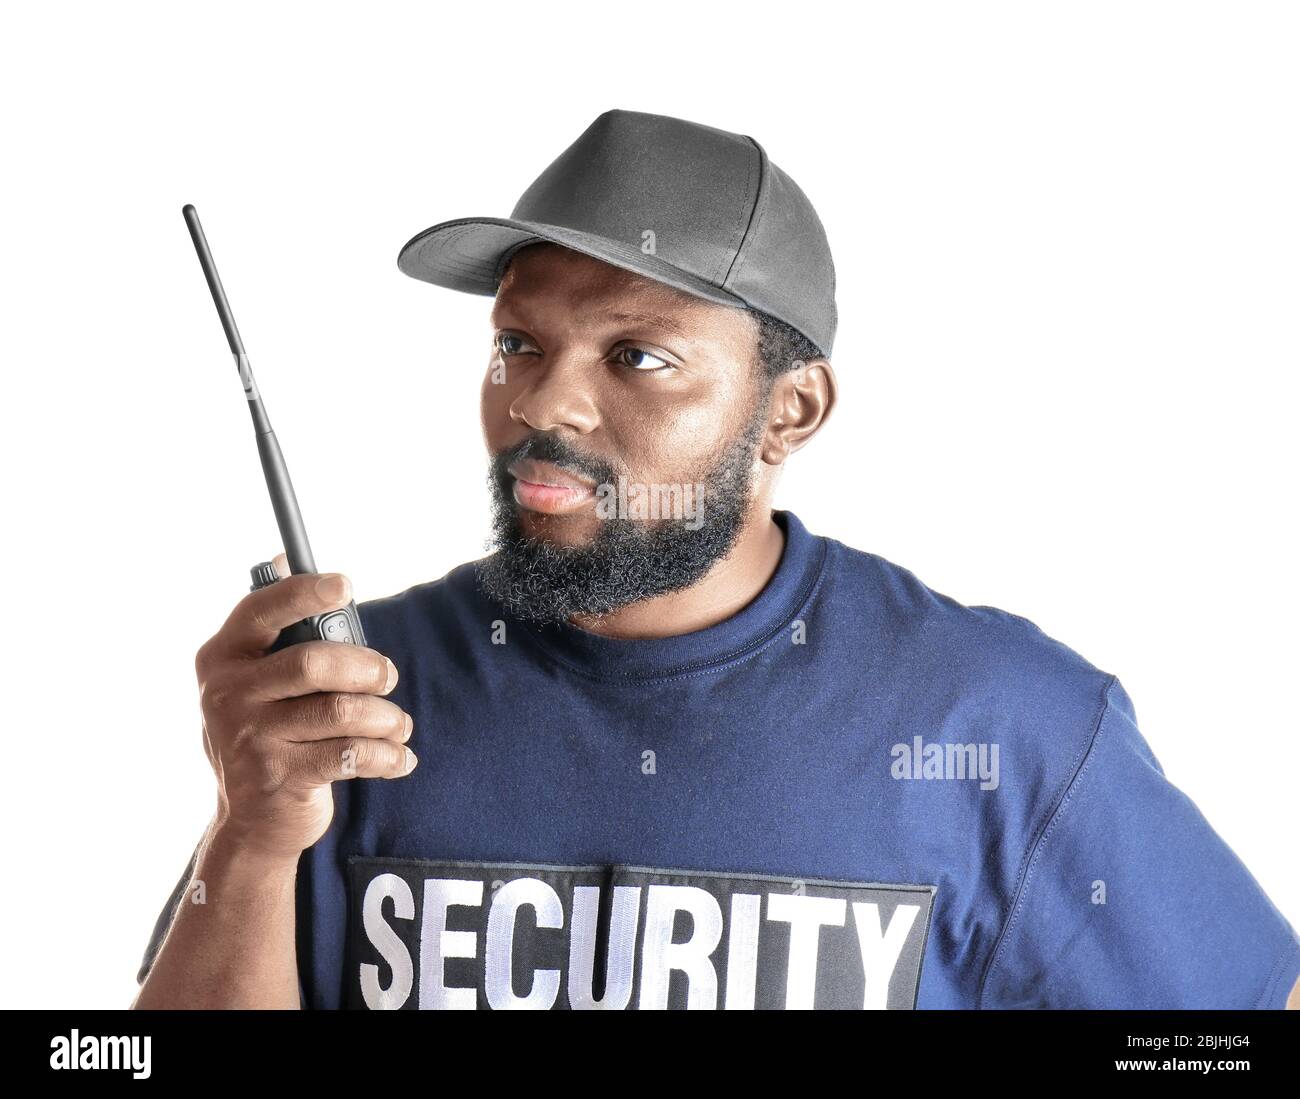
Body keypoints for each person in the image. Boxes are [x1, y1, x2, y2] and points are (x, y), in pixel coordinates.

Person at [134, 109, 1300, 1010]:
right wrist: (250, 833)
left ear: (789, 413)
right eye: (517, 343)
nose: (546, 403)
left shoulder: (999, 720)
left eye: (637, 357)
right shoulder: (351, 700)